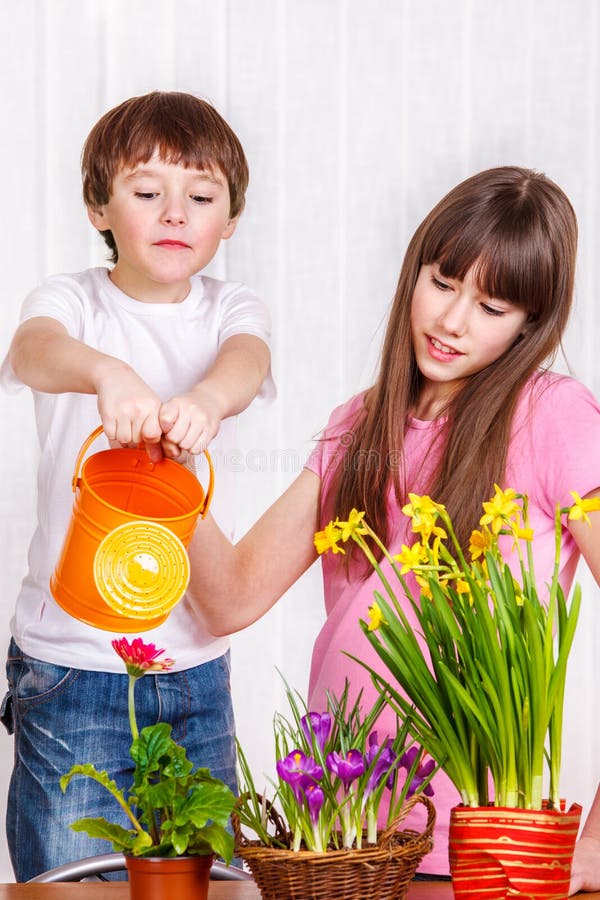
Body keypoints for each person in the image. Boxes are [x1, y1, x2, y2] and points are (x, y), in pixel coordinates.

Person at [183, 166, 600, 883]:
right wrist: (164, 467)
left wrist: (593, 843)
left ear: (531, 321)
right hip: (337, 844)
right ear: (415, 272)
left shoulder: (551, 415)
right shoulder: (361, 422)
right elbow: (230, 596)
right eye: (442, 282)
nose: (451, 320)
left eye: (492, 305)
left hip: (476, 849)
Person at [0, 90, 274, 881]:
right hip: (73, 664)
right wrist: (105, 373)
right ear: (99, 207)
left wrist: (207, 402)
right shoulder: (71, 304)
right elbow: (32, 350)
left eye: (201, 196)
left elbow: (247, 364)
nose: (174, 214)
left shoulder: (230, 310)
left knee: (203, 880)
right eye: (148, 193)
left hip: (192, 667)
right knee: (73, 881)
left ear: (231, 219)